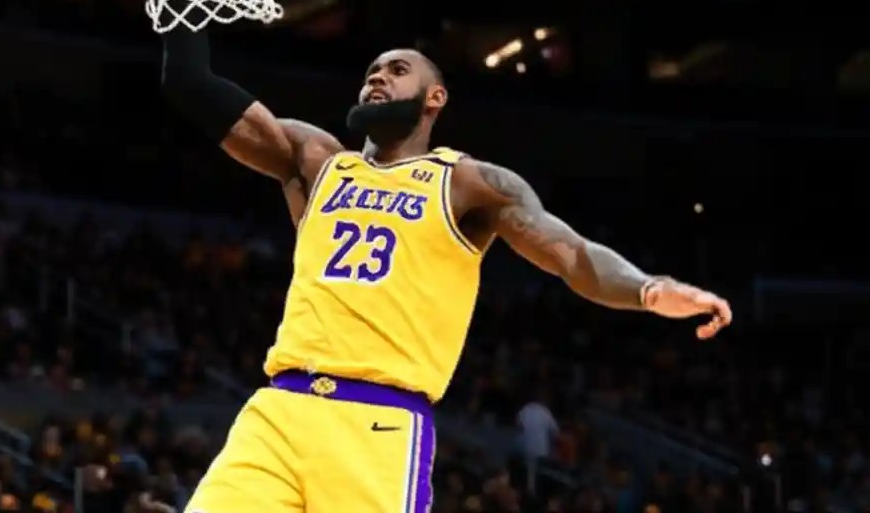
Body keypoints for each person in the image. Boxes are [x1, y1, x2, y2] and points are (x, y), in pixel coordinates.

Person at [158, 28, 733, 513]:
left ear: (435, 98)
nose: (377, 76)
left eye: (396, 69)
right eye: (372, 70)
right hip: (279, 409)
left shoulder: (467, 184)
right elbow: (191, 84)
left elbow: (573, 255)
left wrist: (650, 290)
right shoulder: (315, 162)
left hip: (377, 423)